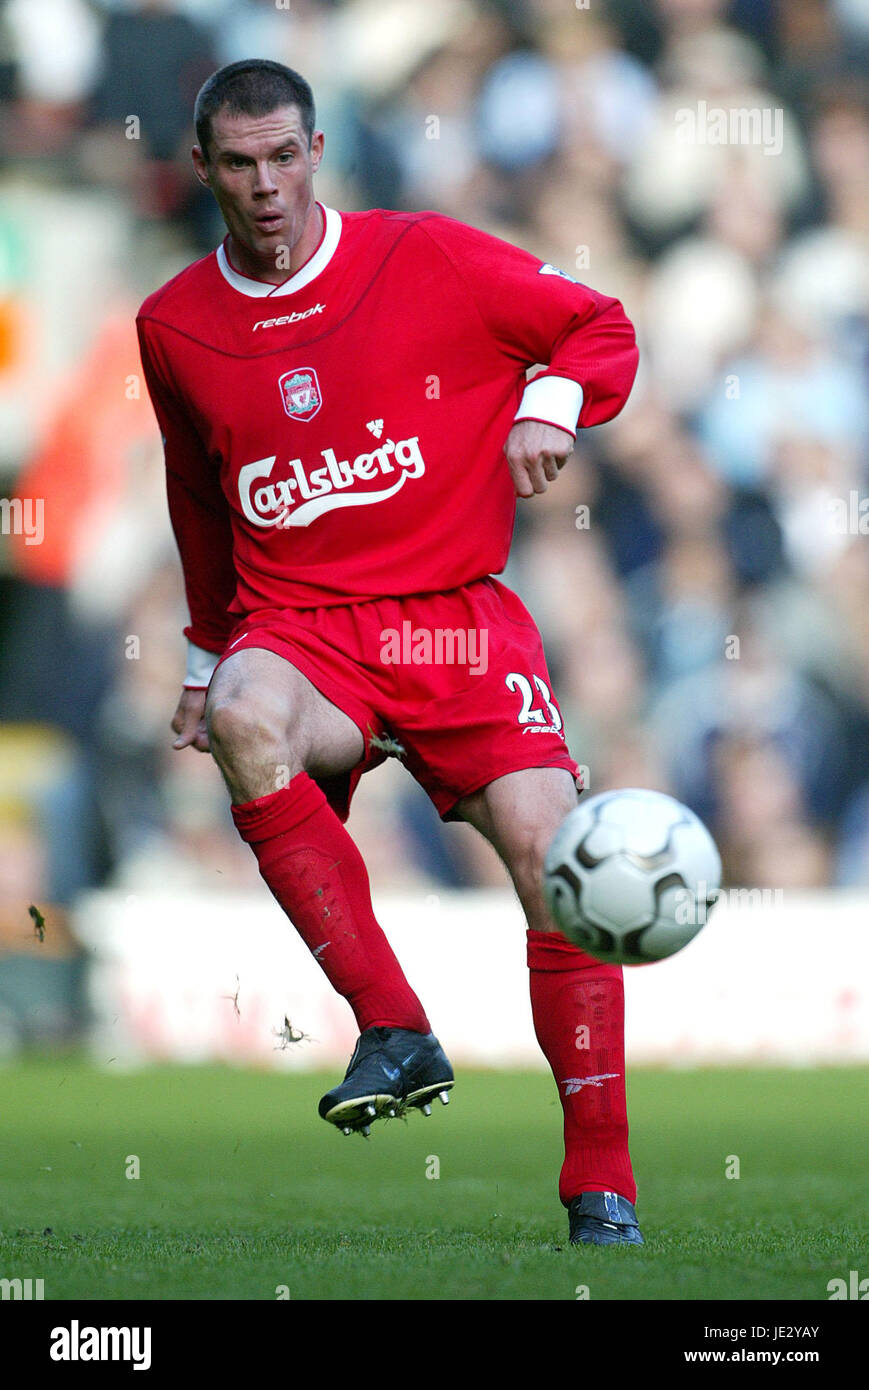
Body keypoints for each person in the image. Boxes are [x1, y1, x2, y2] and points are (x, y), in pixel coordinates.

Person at [136, 59, 643, 1247]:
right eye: (239, 164)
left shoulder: (427, 256)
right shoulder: (173, 326)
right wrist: (208, 660)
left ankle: (598, 1180)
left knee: (550, 854)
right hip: (302, 630)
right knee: (248, 719)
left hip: (454, 616)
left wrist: (548, 407)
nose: (266, 186)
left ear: (317, 151)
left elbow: (596, 324)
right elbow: (198, 505)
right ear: (201, 167)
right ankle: (393, 1025)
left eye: (284, 158)